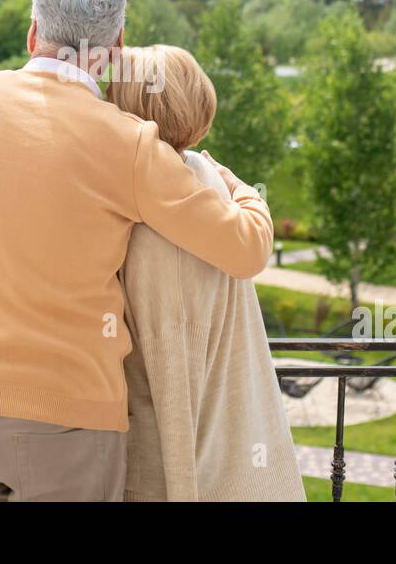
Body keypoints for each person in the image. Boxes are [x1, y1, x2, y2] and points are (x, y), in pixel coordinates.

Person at [0, 0, 273, 501]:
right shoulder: (129, 143)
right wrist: (238, 188)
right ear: (115, 48)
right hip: (71, 425)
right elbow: (244, 250)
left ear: (33, 30)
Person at [107, 45, 305, 501]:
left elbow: (172, 363)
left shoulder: (148, 215)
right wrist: (241, 188)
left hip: (165, 462)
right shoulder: (209, 178)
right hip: (232, 447)